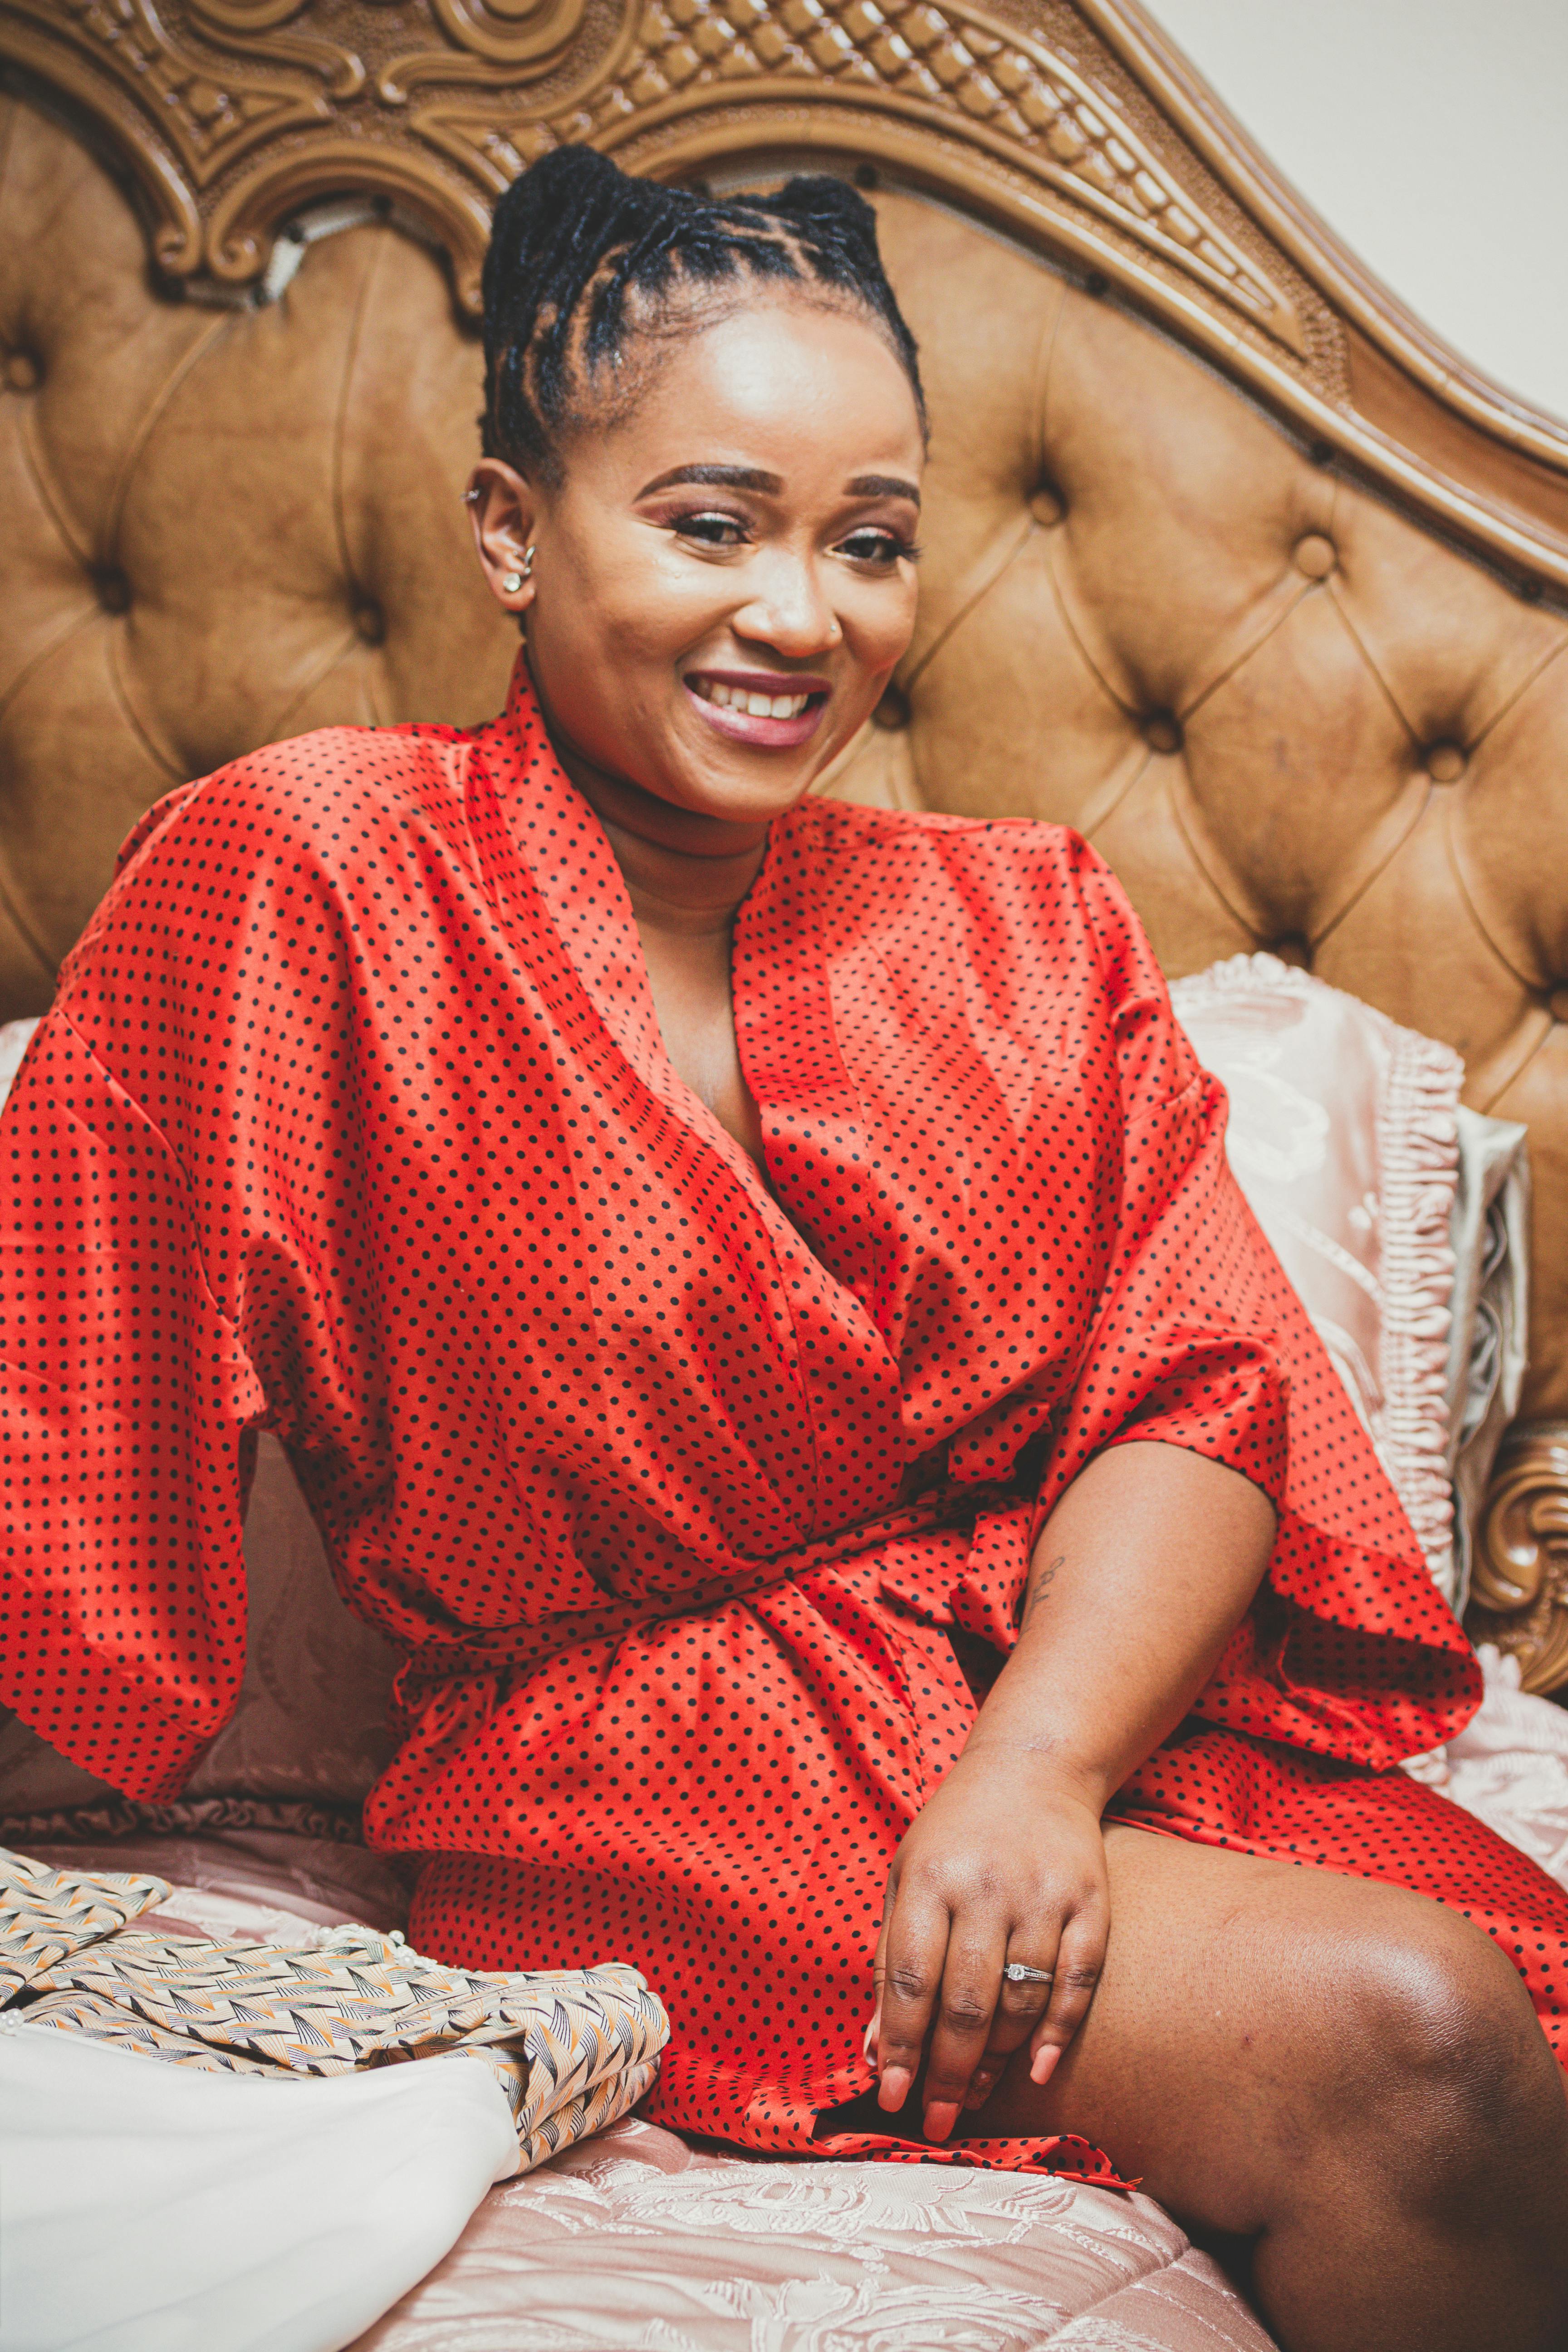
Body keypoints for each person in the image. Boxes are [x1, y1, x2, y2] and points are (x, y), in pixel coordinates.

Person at [0, 146, 1564, 2352]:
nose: (801, 616)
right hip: (618, 1777)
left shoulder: (1024, 918)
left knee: (1539, 1996)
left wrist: (1034, 1772)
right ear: (514, 530)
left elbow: (1198, 1394)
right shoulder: (310, 871)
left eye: (871, 542)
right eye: (713, 523)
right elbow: (62, 1377)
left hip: (1058, 1706)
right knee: (1413, 2040)